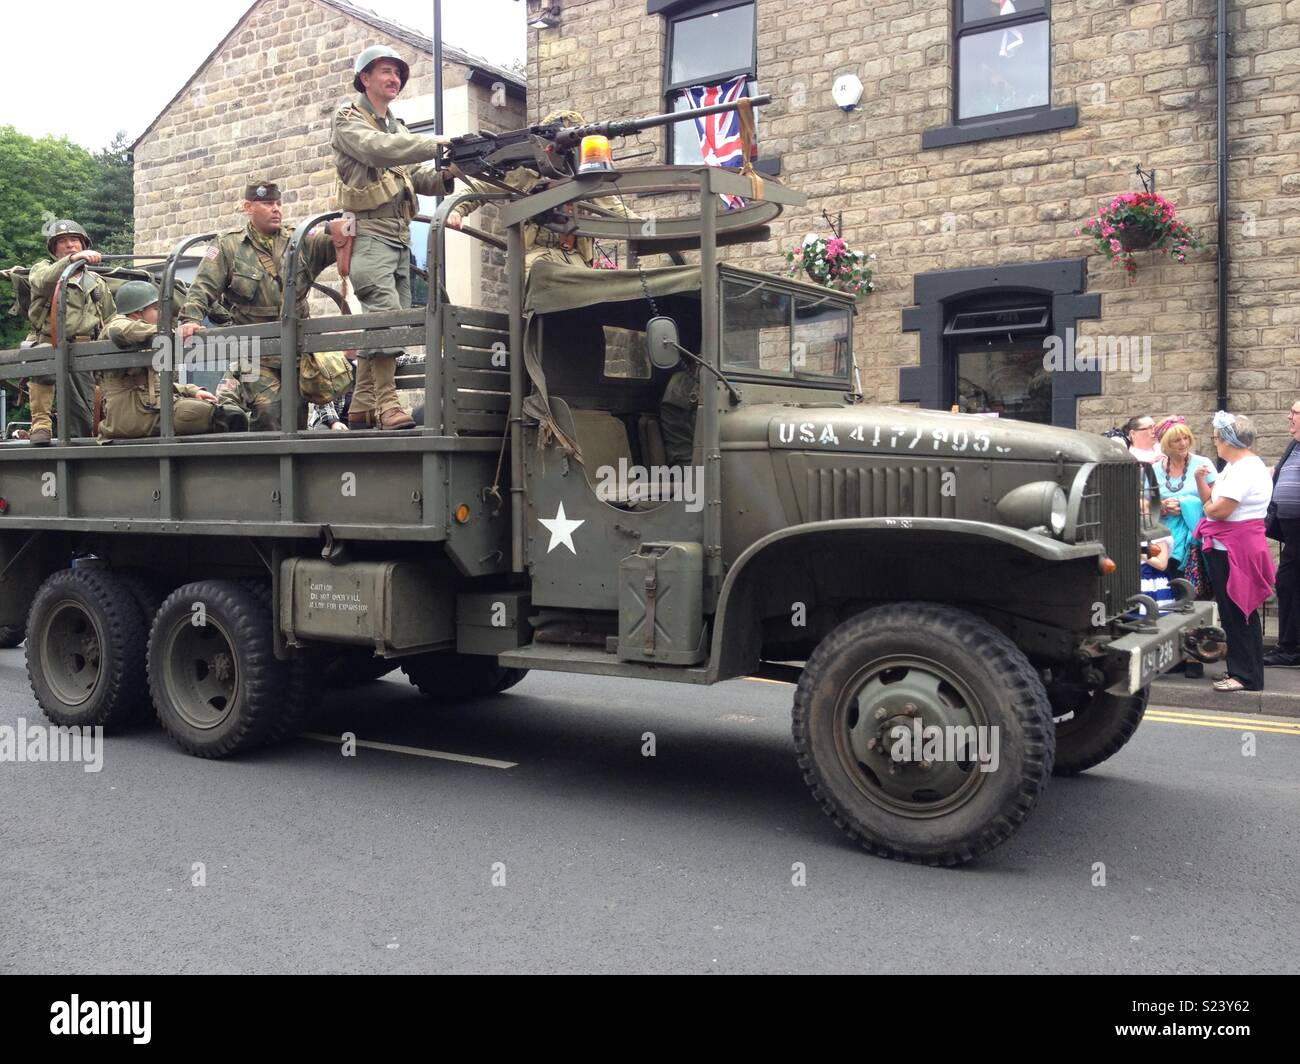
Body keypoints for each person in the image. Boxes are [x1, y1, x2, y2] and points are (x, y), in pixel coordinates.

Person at [331, 45, 454, 430]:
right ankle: (386, 404)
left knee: (389, 324)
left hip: (399, 237)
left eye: (398, 74)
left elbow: (417, 177)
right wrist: (433, 142)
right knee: (385, 317)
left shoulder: (397, 127)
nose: (394, 79)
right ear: (364, 78)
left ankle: (362, 405)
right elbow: (377, 150)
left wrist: (452, 169)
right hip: (368, 234)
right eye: (385, 71)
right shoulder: (348, 119)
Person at [178, 181, 340, 431]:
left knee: (296, 412)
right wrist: (191, 317)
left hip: (295, 347)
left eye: (278, 203)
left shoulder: (299, 241)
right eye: (267, 203)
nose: (276, 209)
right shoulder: (228, 246)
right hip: (255, 350)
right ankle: (267, 468)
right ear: (248, 207)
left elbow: (336, 245)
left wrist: (346, 229)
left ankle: (294, 469)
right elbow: (203, 285)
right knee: (269, 409)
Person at [446, 110, 629, 273]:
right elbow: (478, 188)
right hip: (535, 257)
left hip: (576, 260)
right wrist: (456, 210)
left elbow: (614, 208)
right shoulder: (524, 173)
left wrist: (647, 229)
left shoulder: (585, 175)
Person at [98, 281, 247, 440]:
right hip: (135, 415)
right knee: (227, 417)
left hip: (152, 409)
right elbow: (121, 330)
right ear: (137, 313)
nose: (162, 315)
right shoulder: (118, 325)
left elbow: (150, 383)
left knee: (229, 413)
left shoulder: (145, 337)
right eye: (156, 309)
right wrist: (172, 332)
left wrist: (191, 390)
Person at [1193, 412, 1276, 693]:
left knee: (1240, 610)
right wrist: (1203, 487)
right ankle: (1243, 672)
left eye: (1217, 438)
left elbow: (1219, 510)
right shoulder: (1235, 467)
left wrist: (1207, 505)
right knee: (1233, 612)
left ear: (1229, 440)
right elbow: (1214, 502)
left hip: (1235, 549)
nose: (1215, 443)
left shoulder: (1245, 470)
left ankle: (1246, 677)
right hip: (1229, 546)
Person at [25, 220, 114, 444]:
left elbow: (111, 318)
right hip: (50, 343)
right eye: (62, 242)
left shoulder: (96, 282)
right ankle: (41, 424)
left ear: (83, 244)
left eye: (74, 240)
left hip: (85, 350)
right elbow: (42, 282)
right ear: (54, 250)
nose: (70, 245)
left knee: (84, 414)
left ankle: (82, 447)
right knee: (42, 363)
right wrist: (71, 262)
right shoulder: (43, 269)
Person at [1152, 416, 1214, 584]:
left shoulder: (1203, 463)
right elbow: (1142, 504)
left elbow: (1216, 499)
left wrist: (1189, 504)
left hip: (1196, 539)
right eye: (1176, 440)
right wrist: (1162, 506)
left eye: (1185, 438)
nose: (1183, 443)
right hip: (1164, 540)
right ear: (1165, 444)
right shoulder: (1154, 470)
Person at [1264, 398, 1300, 667]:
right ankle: (1289, 647)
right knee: (1287, 583)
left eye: (1295, 413)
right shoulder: (1294, 446)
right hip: (1290, 528)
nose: (1290, 417)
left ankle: (1290, 649)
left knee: (1290, 583)